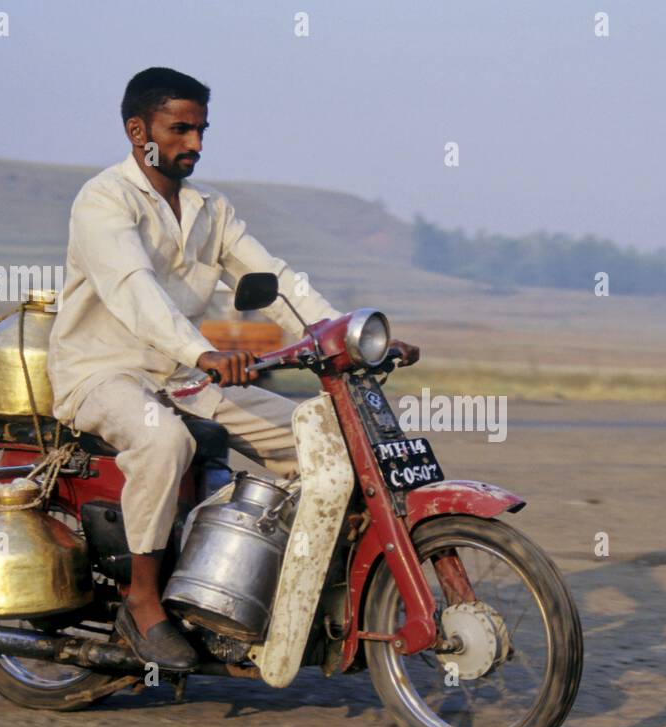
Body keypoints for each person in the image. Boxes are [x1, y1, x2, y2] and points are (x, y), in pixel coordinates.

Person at [46, 67, 416, 672]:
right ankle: (142, 600)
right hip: (103, 374)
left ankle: (285, 589)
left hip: (183, 377)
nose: (193, 143)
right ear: (137, 130)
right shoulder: (103, 200)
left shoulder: (209, 210)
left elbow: (274, 280)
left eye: (200, 130)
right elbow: (135, 289)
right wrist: (203, 352)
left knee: (320, 439)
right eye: (179, 129)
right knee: (162, 441)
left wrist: (349, 338)